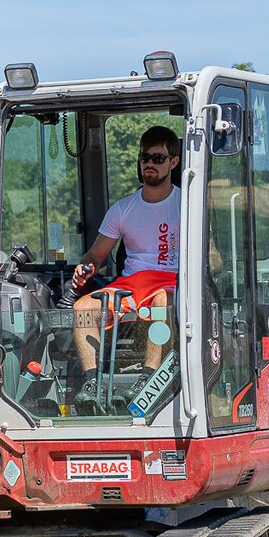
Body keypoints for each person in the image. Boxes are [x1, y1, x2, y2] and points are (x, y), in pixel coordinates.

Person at [71, 124, 182, 394]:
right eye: (145, 158)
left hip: (173, 282)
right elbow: (95, 256)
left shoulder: (187, 204)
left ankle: (149, 380)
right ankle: (91, 382)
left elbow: (213, 258)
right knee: (83, 306)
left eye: (158, 159)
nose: (150, 165)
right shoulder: (123, 209)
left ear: (174, 162)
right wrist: (85, 268)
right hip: (132, 285)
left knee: (161, 301)